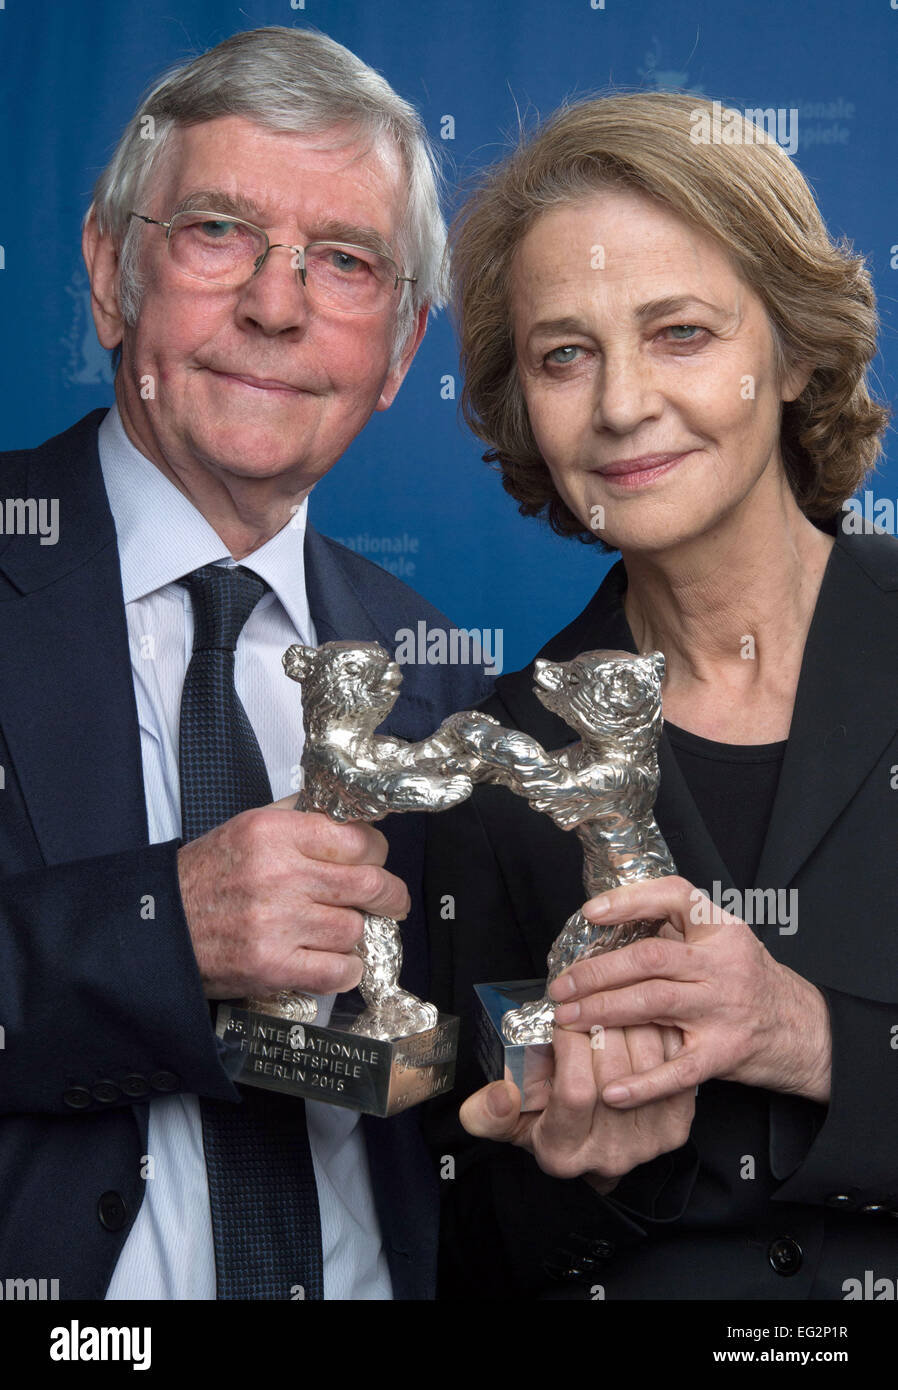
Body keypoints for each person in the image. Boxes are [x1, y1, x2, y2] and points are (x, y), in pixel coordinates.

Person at [0, 26, 488, 1301]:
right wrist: (168, 928)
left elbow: (454, 1099)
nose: (276, 305)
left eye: (343, 262)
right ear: (112, 273)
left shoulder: (436, 677)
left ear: (398, 348)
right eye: (218, 231)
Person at [423, 92, 898, 1300]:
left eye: (679, 331)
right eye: (564, 354)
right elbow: (477, 1242)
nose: (622, 403)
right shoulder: (495, 762)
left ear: (792, 352)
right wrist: (585, 1175)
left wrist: (808, 1037)